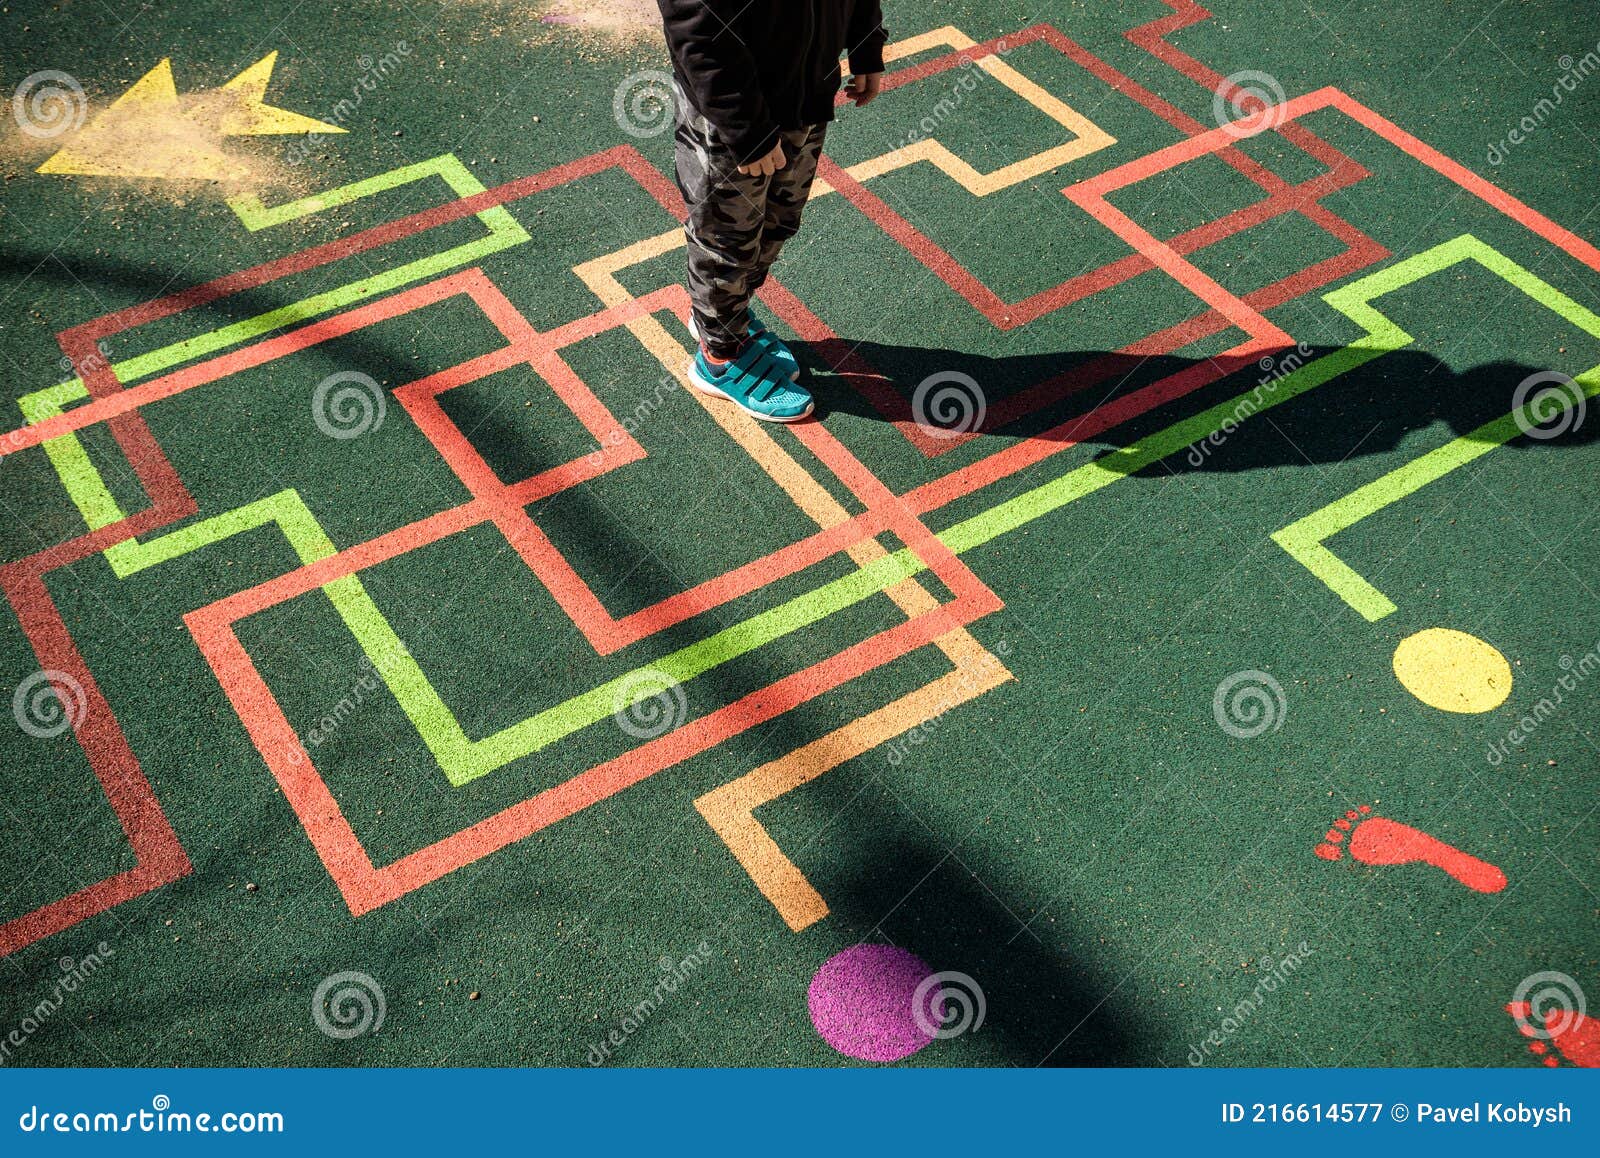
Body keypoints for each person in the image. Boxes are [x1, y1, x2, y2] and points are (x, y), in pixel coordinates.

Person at [656, 1, 886, 421]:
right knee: (727, 244)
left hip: (806, 98)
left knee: (777, 224)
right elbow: (698, 32)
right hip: (731, 123)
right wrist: (747, 129)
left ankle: (725, 317)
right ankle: (718, 357)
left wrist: (866, 42)